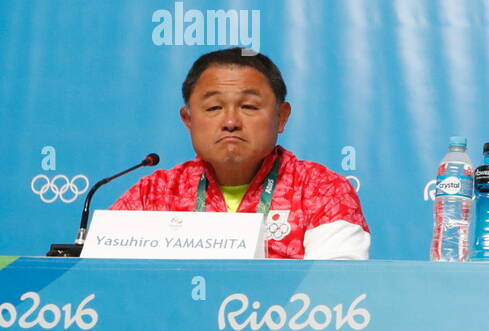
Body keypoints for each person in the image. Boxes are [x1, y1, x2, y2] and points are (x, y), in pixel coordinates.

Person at [112, 48, 370, 259]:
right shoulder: (153, 194)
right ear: (187, 119)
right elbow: (103, 282)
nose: (231, 122)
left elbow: (336, 295)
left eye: (248, 106)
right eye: (213, 107)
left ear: (281, 117)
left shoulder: (322, 190)